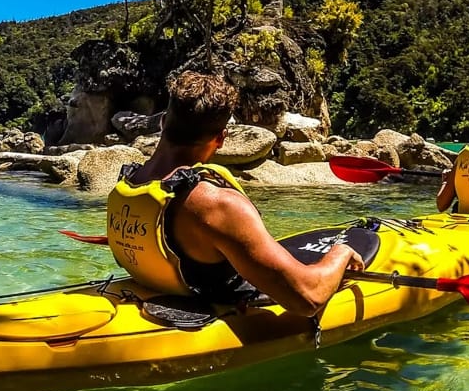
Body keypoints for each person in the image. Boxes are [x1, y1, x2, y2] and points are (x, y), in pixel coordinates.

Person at [105, 71, 363, 317]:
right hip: (214, 304)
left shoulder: (127, 184)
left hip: (151, 292)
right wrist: (341, 252)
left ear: (162, 123)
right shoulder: (216, 205)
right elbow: (307, 299)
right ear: (221, 138)